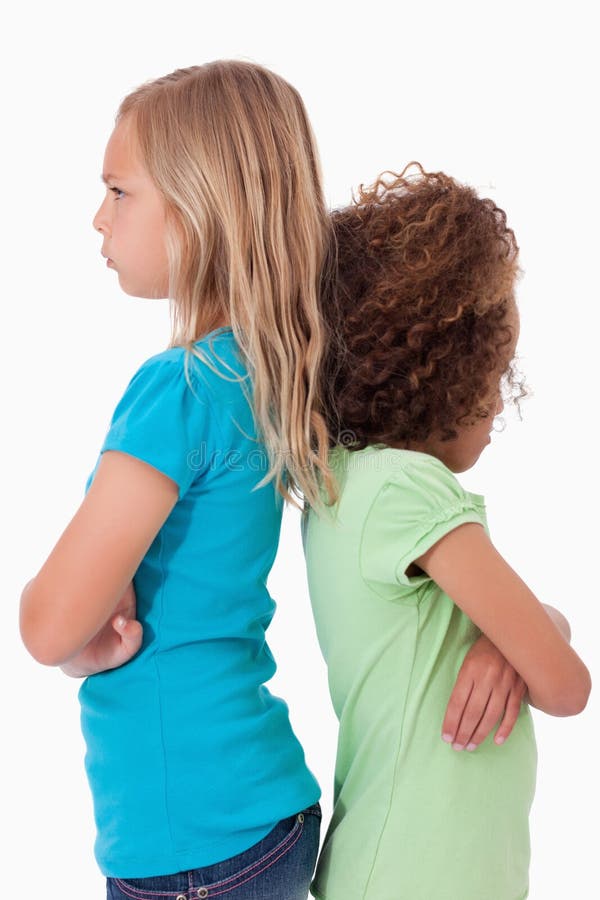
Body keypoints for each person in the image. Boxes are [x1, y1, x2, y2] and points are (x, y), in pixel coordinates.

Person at [19, 60, 338, 900]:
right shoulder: (260, 377)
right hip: (253, 822)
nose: (98, 217)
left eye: (119, 191)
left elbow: (49, 623)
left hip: (195, 850)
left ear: (202, 211)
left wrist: (76, 640)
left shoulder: (181, 389)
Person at [302, 165, 592, 899]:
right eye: (493, 375)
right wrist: (526, 642)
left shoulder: (347, 480)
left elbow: (529, 640)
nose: (499, 402)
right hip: (419, 874)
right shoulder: (408, 489)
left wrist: (509, 641)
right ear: (446, 374)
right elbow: (564, 684)